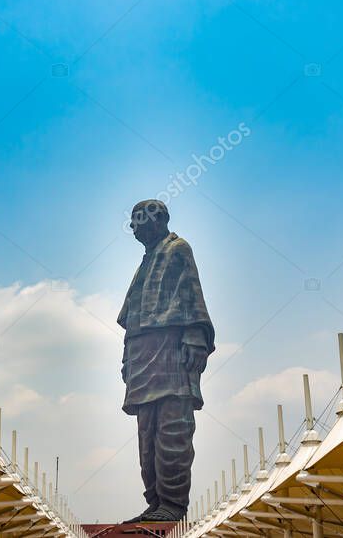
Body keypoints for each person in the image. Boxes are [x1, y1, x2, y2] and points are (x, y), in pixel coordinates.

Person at [118, 200, 214, 523]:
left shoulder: (178, 250)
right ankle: (156, 501)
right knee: (147, 435)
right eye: (132, 221)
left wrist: (195, 337)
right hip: (142, 357)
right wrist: (126, 357)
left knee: (172, 428)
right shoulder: (144, 263)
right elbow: (131, 317)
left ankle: (173, 505)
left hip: (171, 352)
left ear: (158, 219)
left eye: (141, 219)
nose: (135, 227)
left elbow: (191, 296)